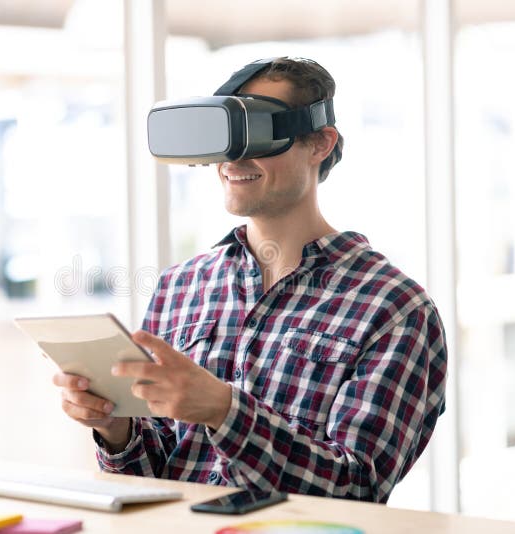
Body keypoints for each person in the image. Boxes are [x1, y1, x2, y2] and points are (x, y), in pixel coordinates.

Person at [53, 57, 447, 503]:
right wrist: (115, 427)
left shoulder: (394, 308)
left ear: (320, 143)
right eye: (226, 138)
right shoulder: (180, 287)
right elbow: (156, 475)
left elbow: (358, 489)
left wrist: (224, 411)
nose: (233, 159)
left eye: (256, 132)